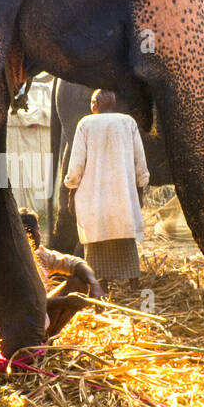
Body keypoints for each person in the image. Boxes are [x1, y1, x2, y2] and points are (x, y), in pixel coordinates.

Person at [64, 89, 150, 286]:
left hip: (94, 198)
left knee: (97, 240)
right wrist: (140, 189)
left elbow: (76, 164)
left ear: (95, 105)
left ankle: (100, 286)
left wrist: (71, 190)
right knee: (125, 237)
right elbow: (140, 161)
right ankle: (134, 285)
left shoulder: (85, 124)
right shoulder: (128, 122)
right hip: (123, 198)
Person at [19, 208, 105, 338]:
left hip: (41, 313)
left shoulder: (40, 255)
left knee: (78, 282)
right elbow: (28, 305)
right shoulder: (15, 262)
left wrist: (94, 285)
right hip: (22, 325)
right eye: (37, 230)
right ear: (28, 234)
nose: (40, 235)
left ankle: (48, 338)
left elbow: (75, 263)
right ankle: (38, 340)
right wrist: (64, 302)